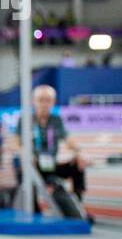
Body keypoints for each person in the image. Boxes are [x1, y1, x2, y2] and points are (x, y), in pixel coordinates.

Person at [12, 84, 90, 216]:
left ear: (53, 102)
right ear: (34, 101)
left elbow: (68, 140)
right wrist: (25, 153)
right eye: (40, 100)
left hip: (52, 165)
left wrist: (79, 152)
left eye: (48, 100)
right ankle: (34, 211)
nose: (44, 104)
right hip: (34, 165)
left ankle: (76, 205)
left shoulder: (56, 120)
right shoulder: (25, 120)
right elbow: (15, 142)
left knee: (77, 164)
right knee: (22, 168)